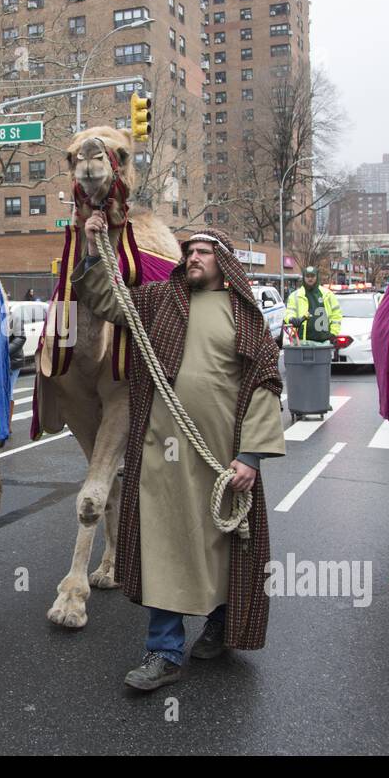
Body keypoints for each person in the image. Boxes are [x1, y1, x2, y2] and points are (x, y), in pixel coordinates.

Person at [74, 215, 285, 691]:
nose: (192, 256)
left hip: (222, 460)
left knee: (224, 545)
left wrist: (251, 456)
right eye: (189, 251)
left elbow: (264, 386)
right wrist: (92, 250)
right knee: (165, 544)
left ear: (224, 262)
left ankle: (219, 625)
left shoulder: (244, 314)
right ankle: (164, 650)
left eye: (204, 252)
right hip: (160, 458)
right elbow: (107, 300)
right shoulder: (158, 301)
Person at [283, 265, 342, 343]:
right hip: (301, 341)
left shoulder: (328, 294)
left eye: (312, 276)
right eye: (307, 276)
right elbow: (289, 312)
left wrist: (333, 333)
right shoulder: (295, 296)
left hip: (324, 342)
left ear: (317, 277)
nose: (310, 278)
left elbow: (336, 315)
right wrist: (291, 319)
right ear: (303, 277)